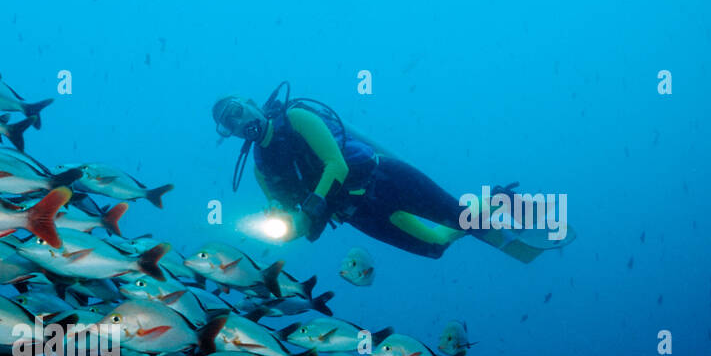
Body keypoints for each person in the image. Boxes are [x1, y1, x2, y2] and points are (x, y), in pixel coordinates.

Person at [212, 84, 554, 262]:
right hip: (359, 214)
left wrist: (315, 199)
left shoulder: (296, 118)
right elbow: (287, 213)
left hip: (384, 179)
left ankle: (498, 203)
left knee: (463, 219)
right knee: (434, 249)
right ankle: (489, 204)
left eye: (238, 111)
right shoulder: (261, 168)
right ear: (232, 134)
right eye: (230, 124)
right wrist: (285, 228)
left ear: (251, 104)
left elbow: (337, 164)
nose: (240, 122)